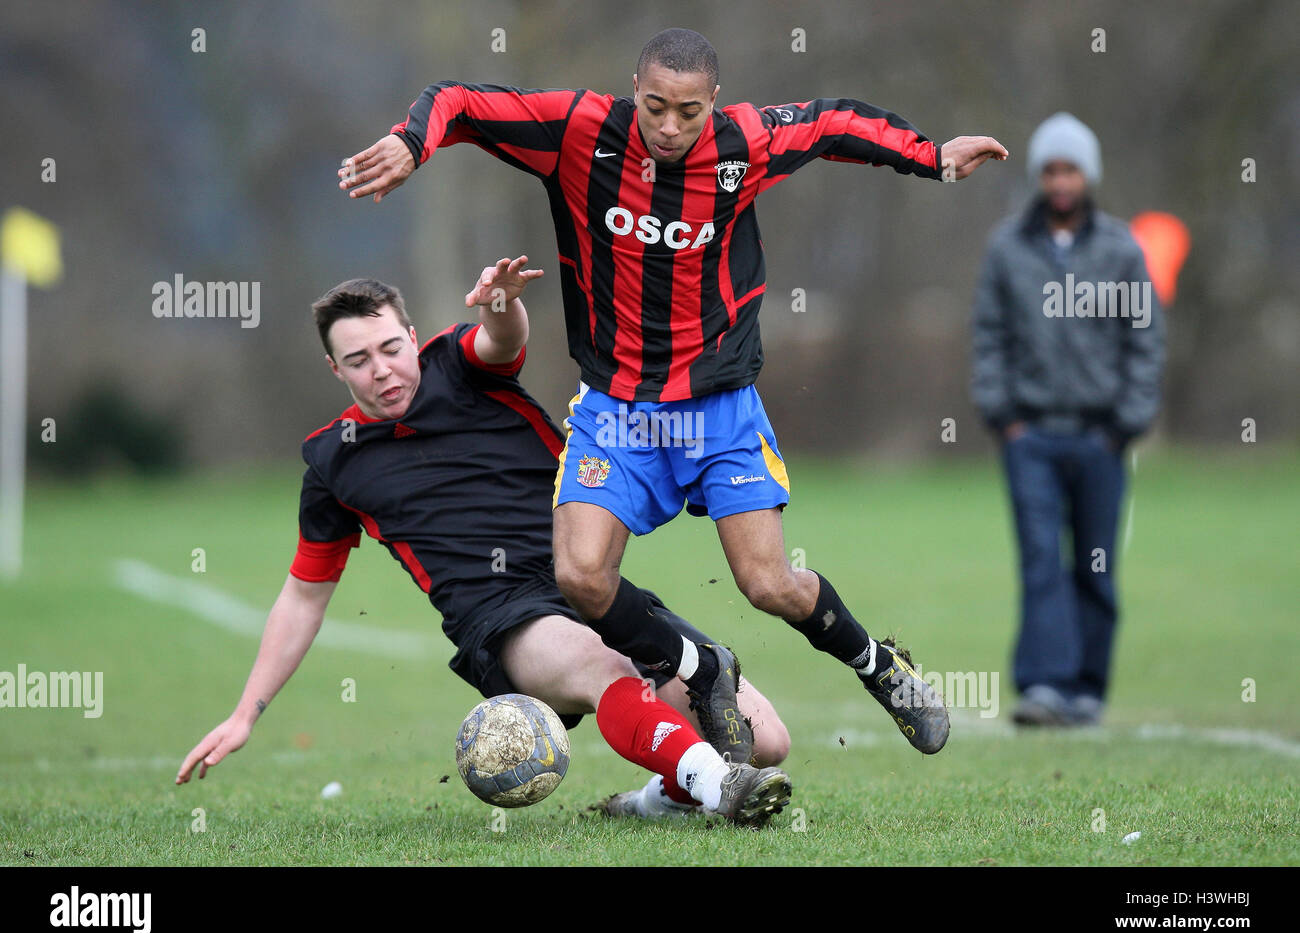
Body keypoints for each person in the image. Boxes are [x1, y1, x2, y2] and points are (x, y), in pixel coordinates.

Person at [339, 28, 1008, 757]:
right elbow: (462, 101)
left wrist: (932, 158)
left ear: (712, 103)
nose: (668, 126)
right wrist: (414, 141)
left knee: (768, 584)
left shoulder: (742, 146)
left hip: (719, 410)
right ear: (635, 90)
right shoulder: (580, 132)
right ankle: (699, 667)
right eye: (655, 106)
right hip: (617, 412)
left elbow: (833, 123)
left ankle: (880, 668)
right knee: (581, 575)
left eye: (688, 112)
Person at [175, 256, 792, 826]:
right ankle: (721, 787)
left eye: (391, 348)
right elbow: (304, 597)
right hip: (501, 618)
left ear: (413, 339)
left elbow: (503, 338)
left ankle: (656, 802)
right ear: (335, 369)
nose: (382, 369)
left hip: (587, 580)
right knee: (609, 670)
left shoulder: (458, 367)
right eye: (359, 360)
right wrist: (243, 714)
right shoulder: (332, 462)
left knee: (765, 738)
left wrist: (498, 302)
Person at [969, 112, 1165, 726]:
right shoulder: (1007, 248)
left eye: (1070, 169)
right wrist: (1003, 416)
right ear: (1038, 176)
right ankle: (1044, 686)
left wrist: (1126, 424)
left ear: (1088, 174)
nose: (1060, 181)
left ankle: (1087, 689)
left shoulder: (1121, 248)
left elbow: (1146, 340)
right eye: (1050, 169)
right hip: (1030, 437)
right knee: (1040, 562)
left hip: (1101, 439)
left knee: (1097, 564)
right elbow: (988, 337)